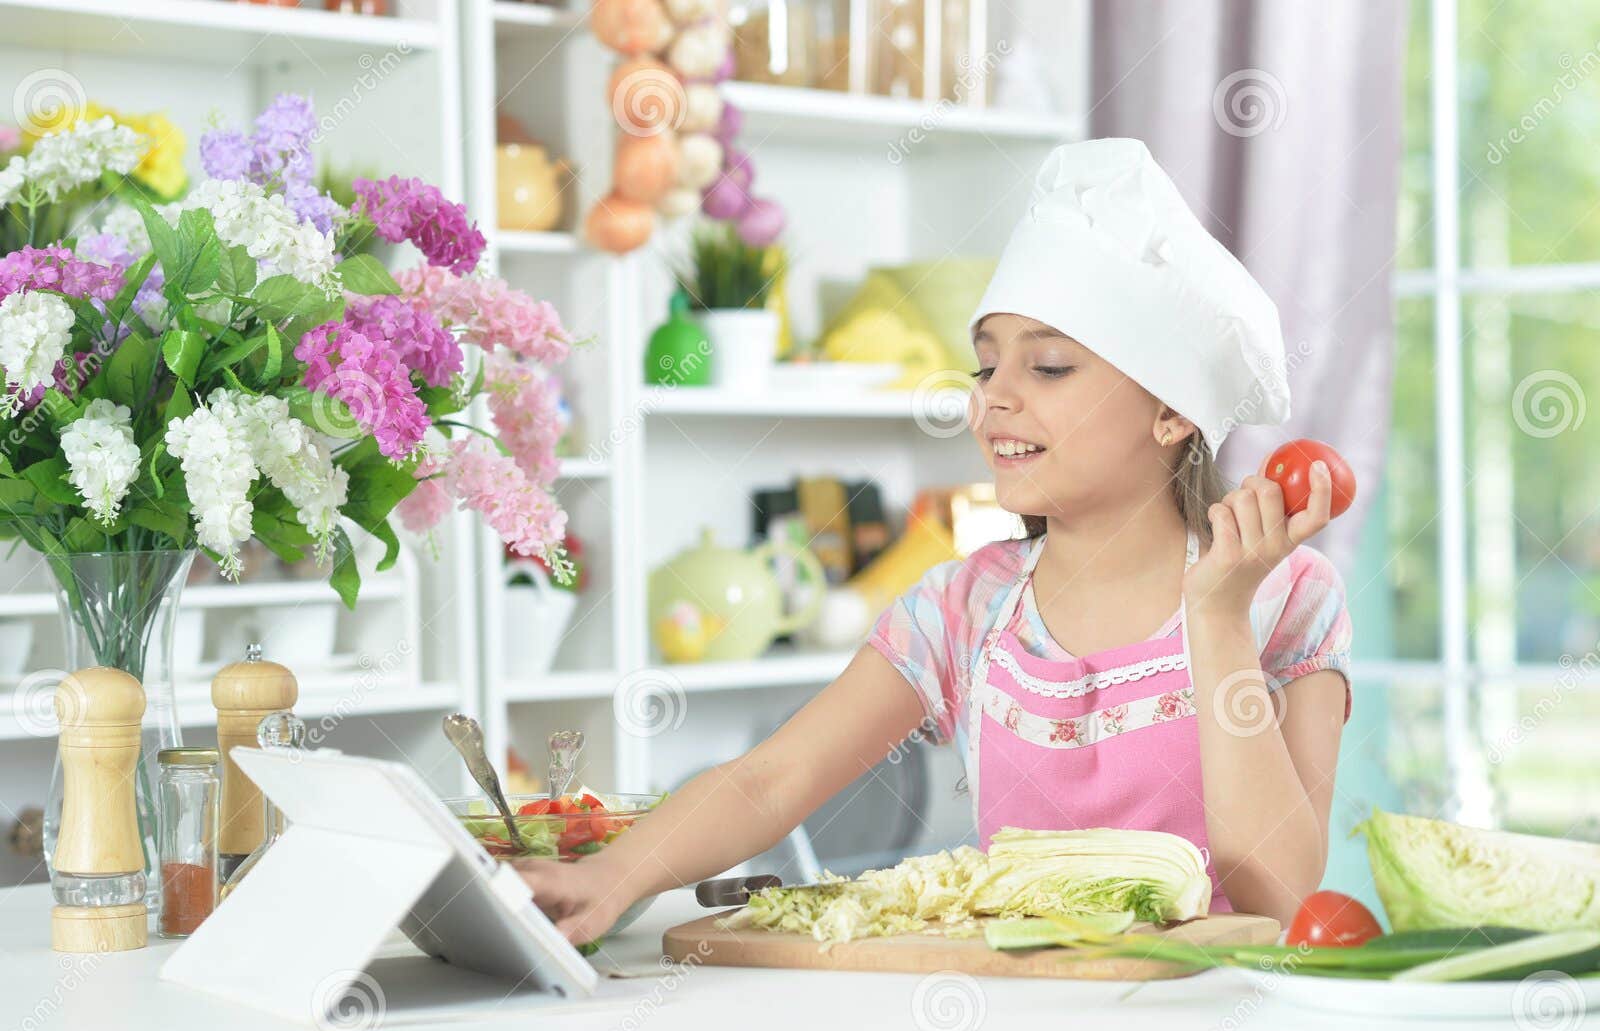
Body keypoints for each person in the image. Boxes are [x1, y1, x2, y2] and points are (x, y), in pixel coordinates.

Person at [517, 138, 1352, 937]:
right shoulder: (965, 608)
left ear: (1173, 409)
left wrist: (1216, 618)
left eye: (1049, 366)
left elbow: (1278, 897)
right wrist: (610, 876)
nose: (993, 397)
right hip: (1019, 1029)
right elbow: (770, 781)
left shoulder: (1285, 598)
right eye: (987, 364)